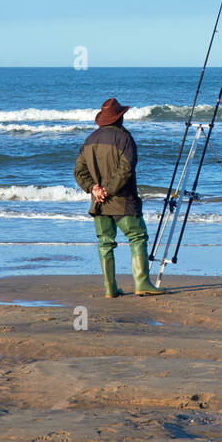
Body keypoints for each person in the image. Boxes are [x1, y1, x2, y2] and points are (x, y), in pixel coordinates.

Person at [73, 97, 164, 297]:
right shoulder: (124, 138)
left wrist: (94, 189)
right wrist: (108, 190)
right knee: (137, 237)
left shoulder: (89, 140)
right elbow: (126, 169)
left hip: (99, 203)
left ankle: (110, 288)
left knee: (105, 243)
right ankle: (142, 283)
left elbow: (79, 171)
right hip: (123, 201)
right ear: (119, 118)